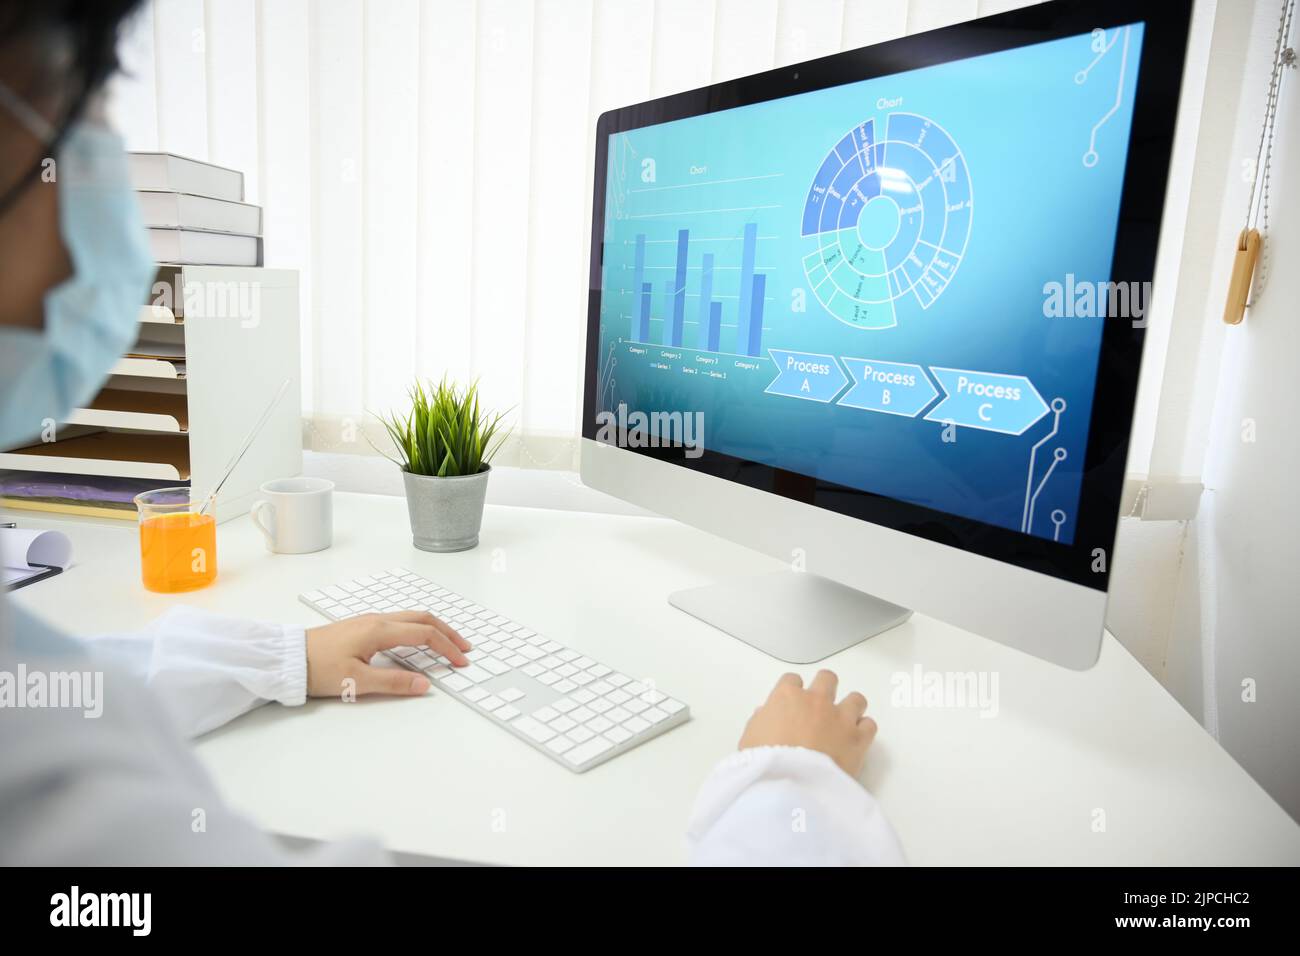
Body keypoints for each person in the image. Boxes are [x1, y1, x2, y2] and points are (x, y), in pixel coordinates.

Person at [0, 0, 904, 867]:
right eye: (83, 113)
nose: (104, 179)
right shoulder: (54, 796)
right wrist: (789, 791)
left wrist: (281, 657)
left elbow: (60, 686)